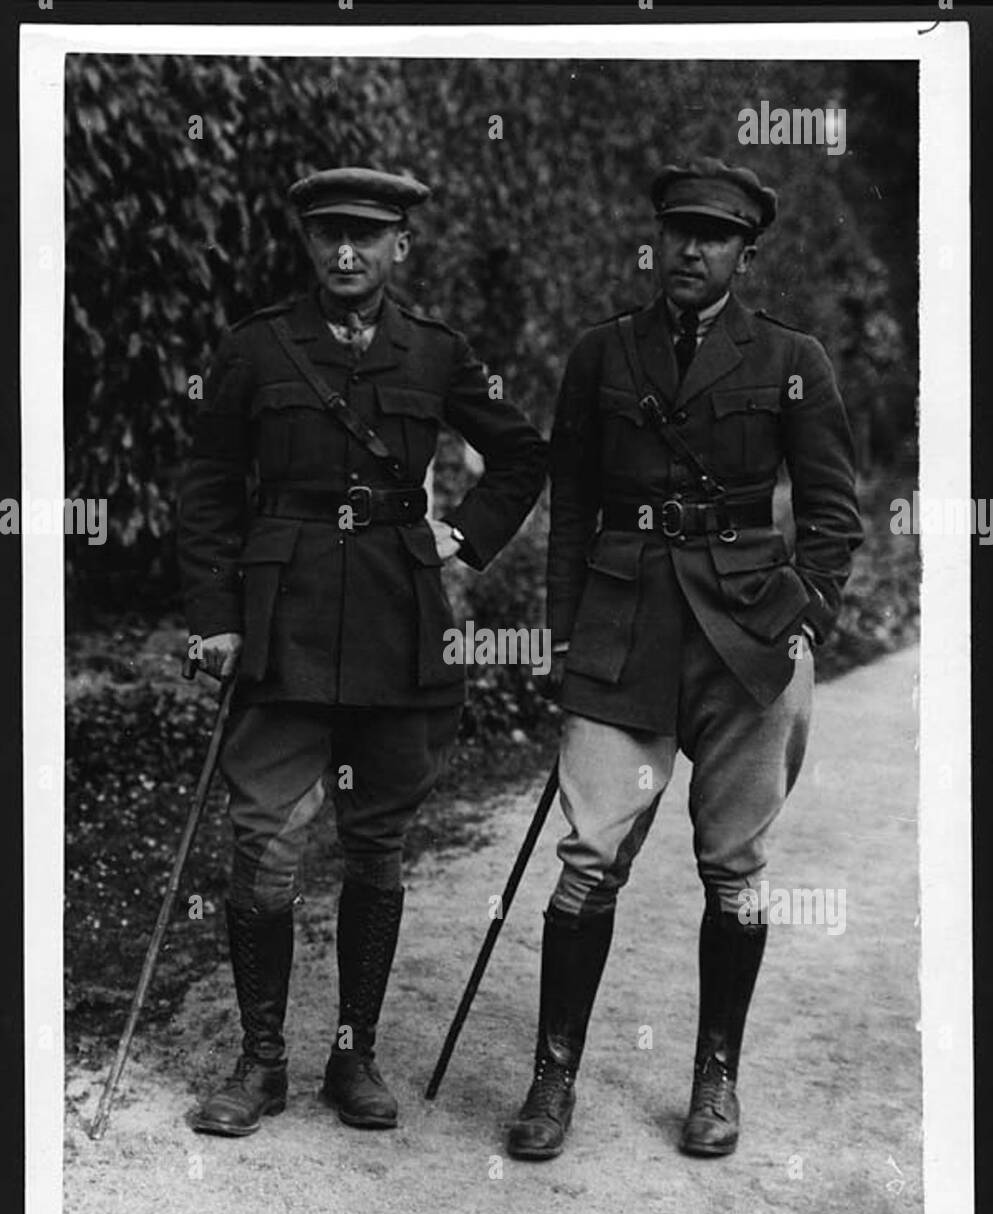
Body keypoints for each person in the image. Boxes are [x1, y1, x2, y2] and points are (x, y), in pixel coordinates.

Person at [507, 157, 863, 1161]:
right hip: (622, 637)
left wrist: (812, 618)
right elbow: (570, 503)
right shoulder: (601, 355)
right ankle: (554, 1076)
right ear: (656, 238)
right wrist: (565, 629)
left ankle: (715, 1078)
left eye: (714, 236)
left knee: (737, 867)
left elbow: (834, 510)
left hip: (747, 641)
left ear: (746, 253)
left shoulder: (792, 357)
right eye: (678, 231)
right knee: (588, 857)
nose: (691, 250)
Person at [178, 167, 546, 1137]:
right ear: (306, 241)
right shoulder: (255, 349)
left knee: (377, 844)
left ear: (400, 247)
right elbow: (209, 486)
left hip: (395, 617)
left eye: (368, 236)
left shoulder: (434, 352)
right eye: (330, 233)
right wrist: (215, 614)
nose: (348, 252)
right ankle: (260, 1062)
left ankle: (355, 1056)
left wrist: (460, 539)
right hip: (279, 623)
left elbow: (522, 454)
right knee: (263, 841)